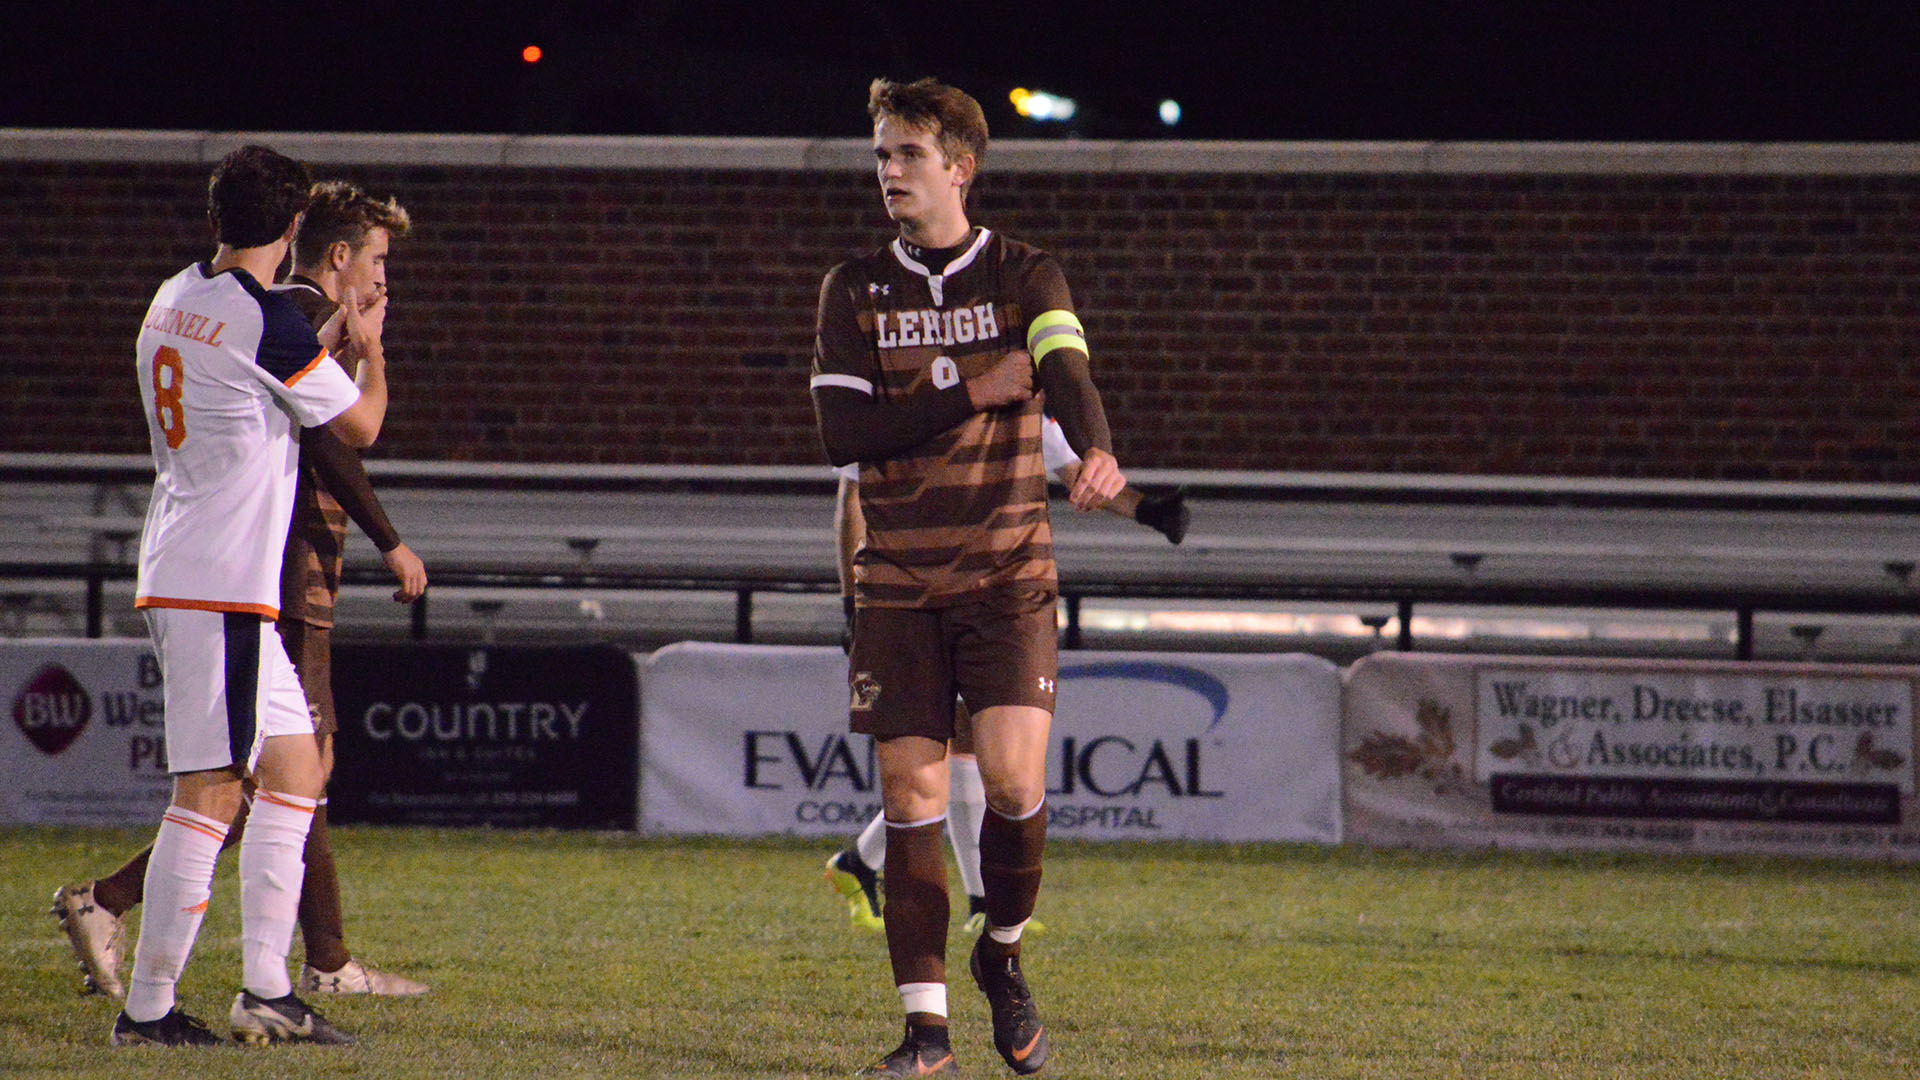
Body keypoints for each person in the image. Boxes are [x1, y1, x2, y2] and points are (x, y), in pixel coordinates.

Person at [811, 77, 1126, 1077]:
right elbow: (843, 436)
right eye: (880, 155)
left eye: (907, 154)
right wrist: (965, 388)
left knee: (1012, 781)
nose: (888, 172)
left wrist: (1102, 450)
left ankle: (1002, 958)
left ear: (962, 167)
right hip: (898, 576)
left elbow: (1066, 371)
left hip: (1006, 573)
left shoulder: (1028, 274)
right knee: (909, 795)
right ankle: (926, 1031)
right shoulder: (853, 289)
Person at [50, 180, 430, 1006]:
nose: (382, 278)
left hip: (217, 565)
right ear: (314, 241)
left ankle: (285, 983)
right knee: (230, 786)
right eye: (377, 262)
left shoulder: (186, 296)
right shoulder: (272, 317)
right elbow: (348, 432)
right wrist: (370, 354)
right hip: (244, 575)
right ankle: (140, 965)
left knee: (293, 771)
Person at [824, 418, 1187, 934]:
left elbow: (1077, 473)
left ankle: (867, 865)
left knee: (970, 754)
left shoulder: (1017, 400)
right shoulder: (906, 391)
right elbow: (853, 496)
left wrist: (1147, 509)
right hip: (914, 597)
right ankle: (966, 900)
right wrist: (852, 601)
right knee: (944, 755)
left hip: (991, 599)